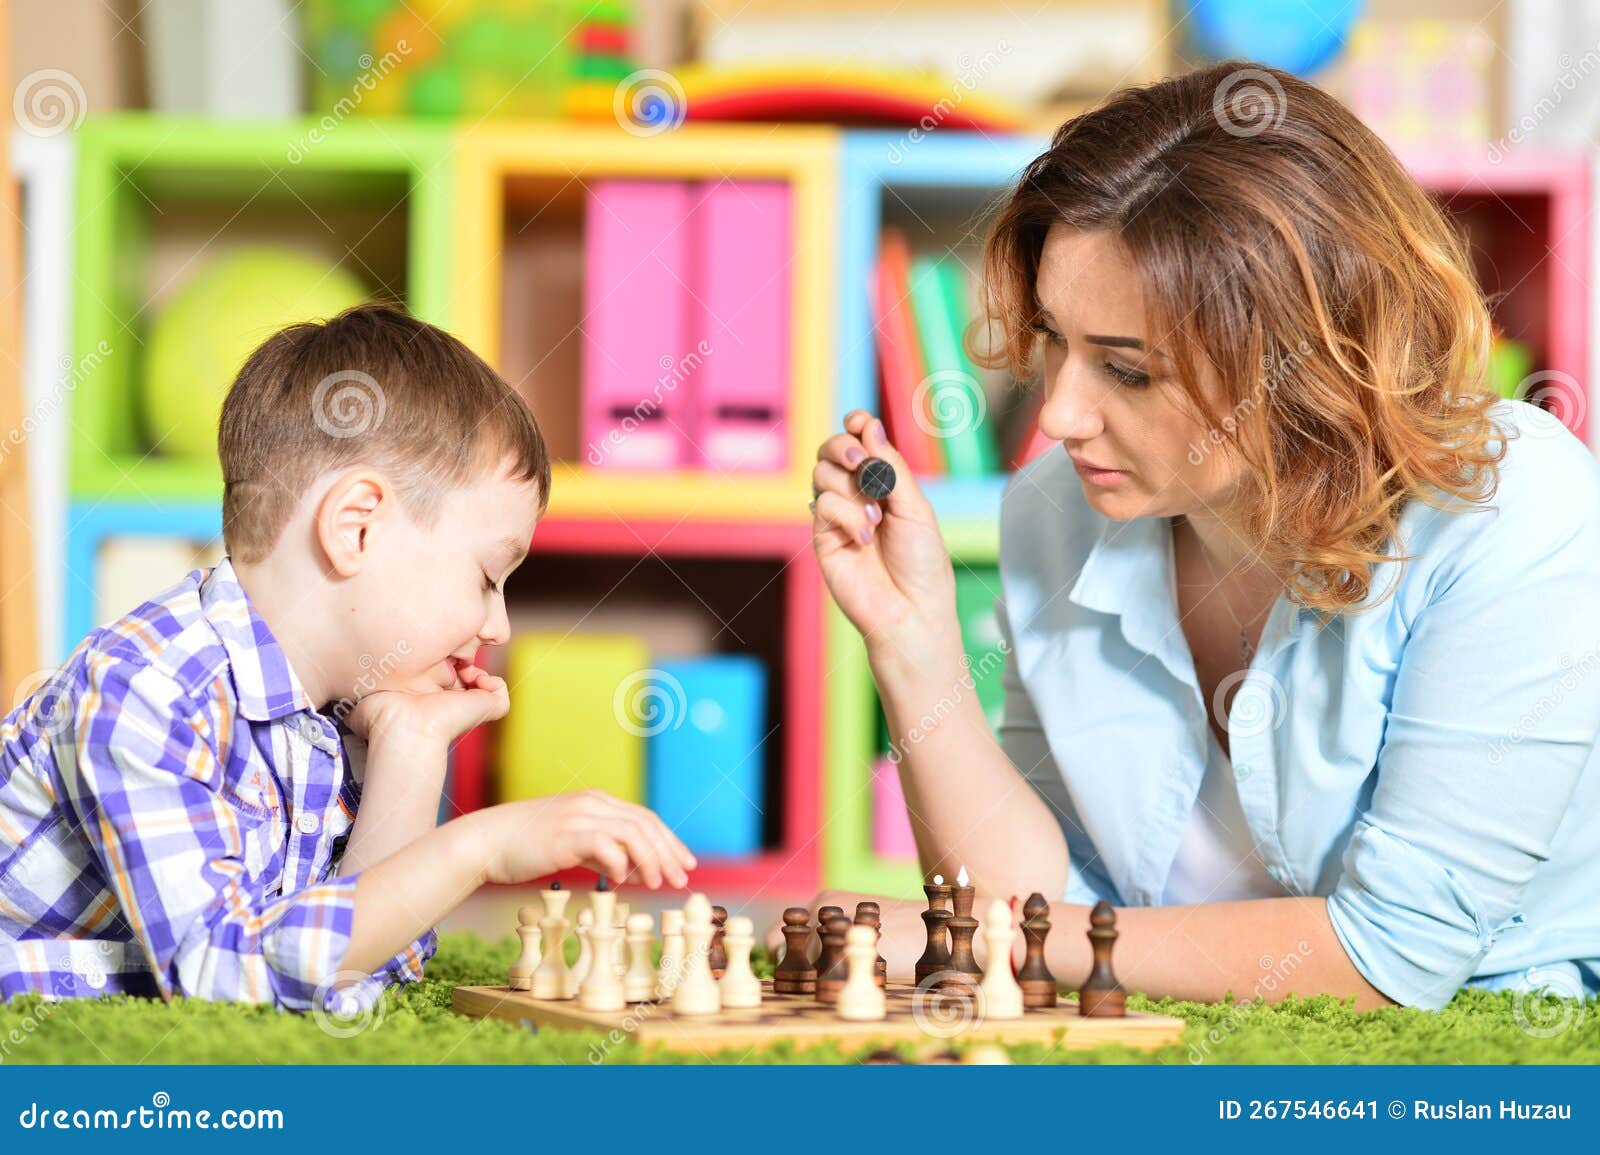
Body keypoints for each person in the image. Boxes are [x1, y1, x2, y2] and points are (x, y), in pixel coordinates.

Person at [804, 62, 1600, 1011]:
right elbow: (1045, 894)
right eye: (1056, 338)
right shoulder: (1055, 509)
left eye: (1128, 372)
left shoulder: (1514, 507)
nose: (1056, 413)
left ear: (1303, 363)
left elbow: (1395, 957)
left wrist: (983, 941)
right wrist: (912, 644)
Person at [0, 303, 694, 1009]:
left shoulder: (340, 711)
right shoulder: (147, 691)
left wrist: (413, 750)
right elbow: (222, 982)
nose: (499, 625)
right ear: (356, 528)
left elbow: (359, 965)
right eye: (488, 578)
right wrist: (478, 845)